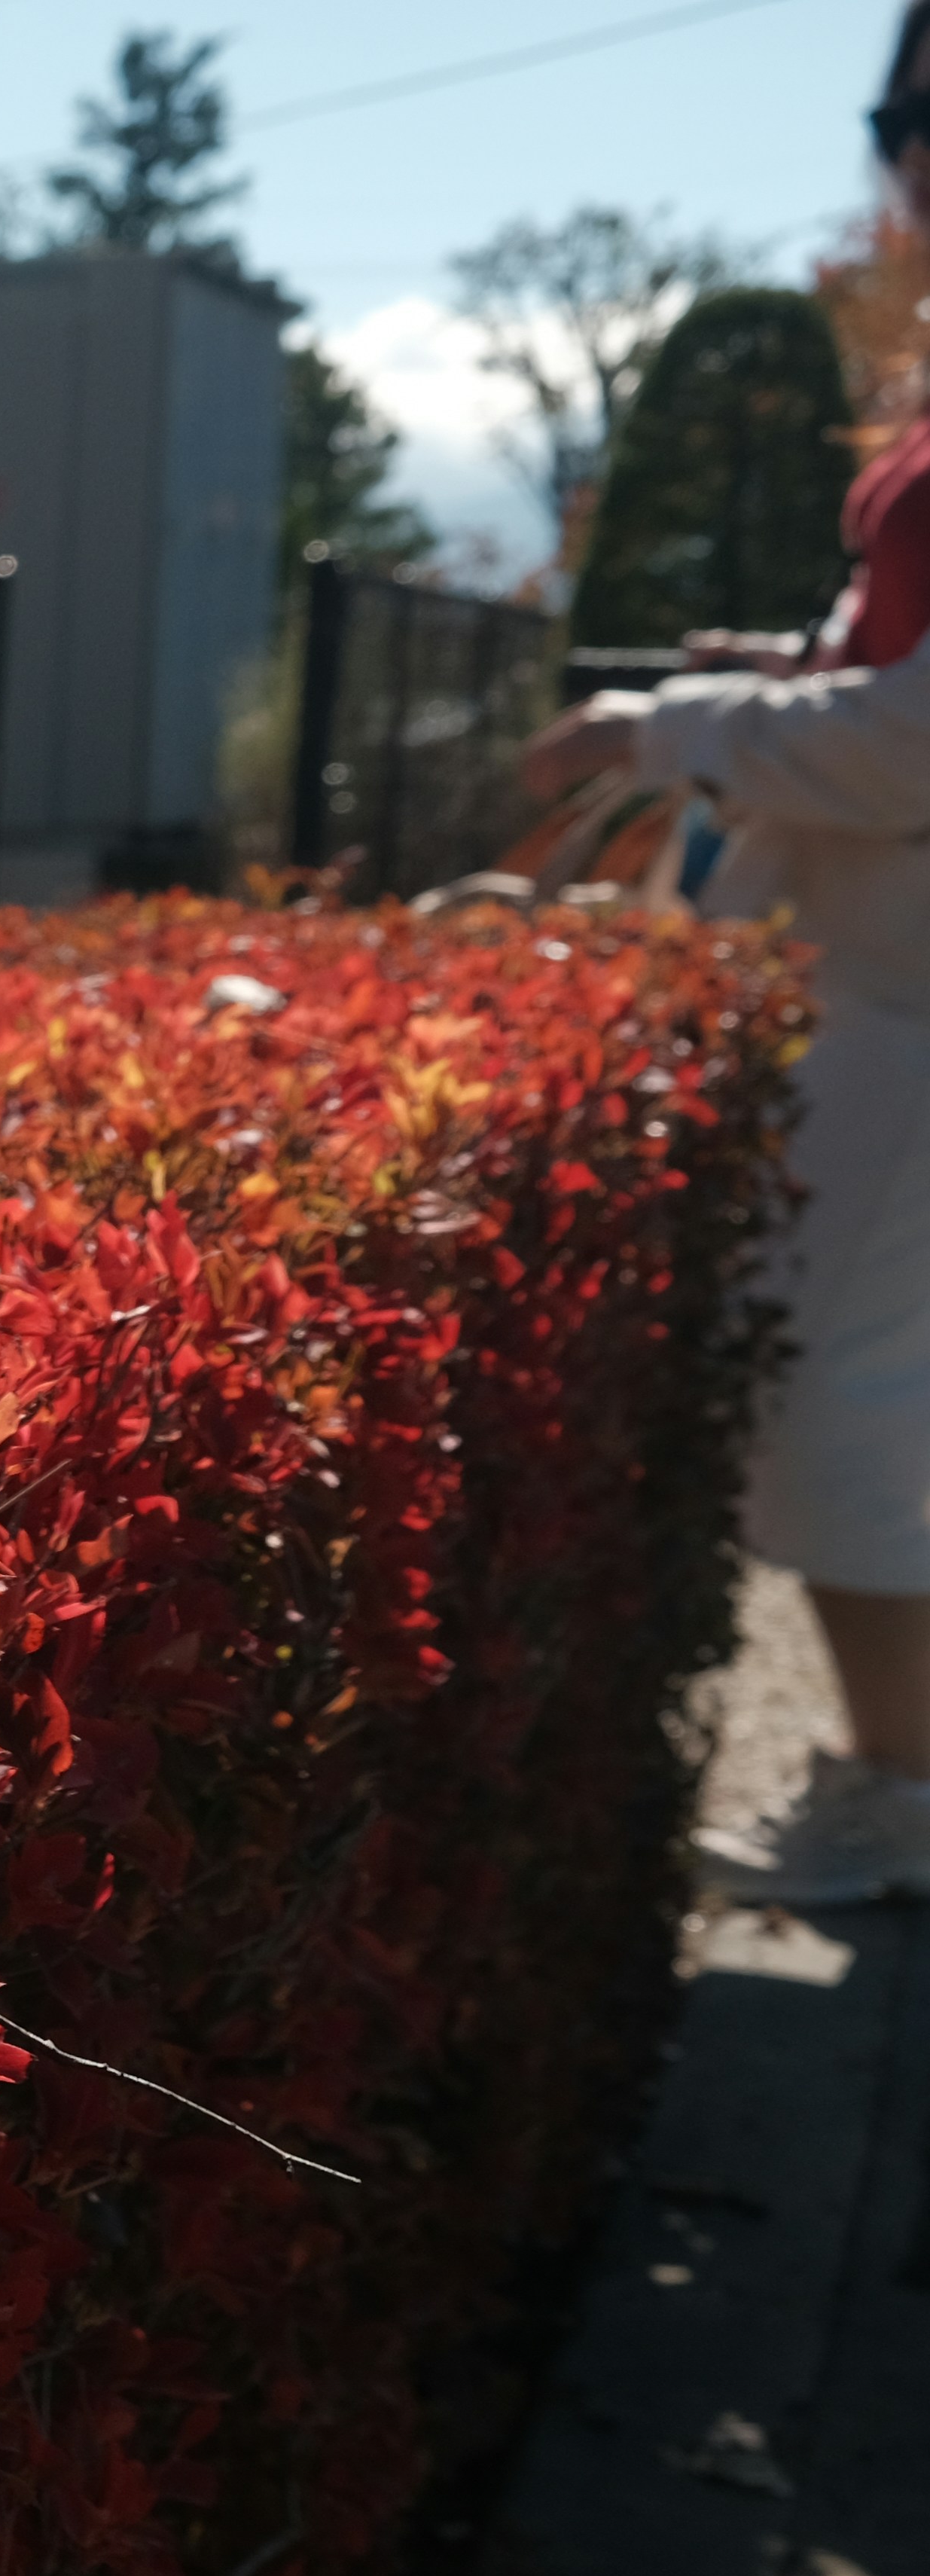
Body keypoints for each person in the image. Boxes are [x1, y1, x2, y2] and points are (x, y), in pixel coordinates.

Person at [526, 0, 930, 1903]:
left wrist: (666, 723)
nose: (904, 169)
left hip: (899, 980)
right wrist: (779, 681)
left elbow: (921, 737)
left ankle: (893, 1795)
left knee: (837, 1379)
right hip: (871, 962)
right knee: (856, 1367)